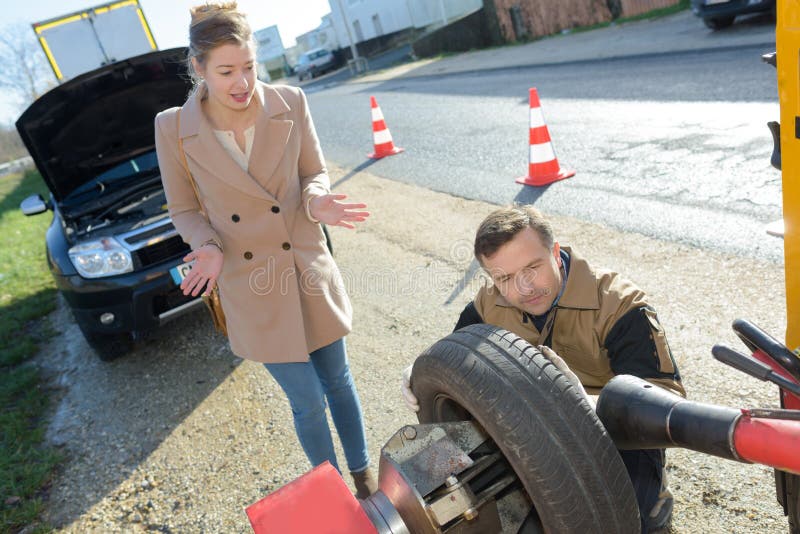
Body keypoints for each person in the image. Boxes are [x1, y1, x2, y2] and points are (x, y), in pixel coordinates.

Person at [154, 2, 377, 498]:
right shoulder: (172, 127)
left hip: (305, 264)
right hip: (249, 284)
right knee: (306, 402)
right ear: (198, 69)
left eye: (249, 67)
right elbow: (184, 209)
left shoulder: (290, 101)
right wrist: (207, 246)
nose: (242, 82)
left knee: (338, 381)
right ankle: (335, 496)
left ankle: (364, 477)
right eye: (226, 71)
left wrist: (318, 201)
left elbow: (311, 172)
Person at [402, 205, 685, 532]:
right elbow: (455, 366)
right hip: (528, 428)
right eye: (504, 277)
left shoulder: (620, 305)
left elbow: (664, 401)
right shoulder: (487, 305)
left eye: (533, 267)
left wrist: (585, 404)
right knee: (431, 479)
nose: (523, 288)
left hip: (611, 433)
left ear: (555, 251)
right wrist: (420, 368)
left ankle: (654, 500)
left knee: (629, 519)